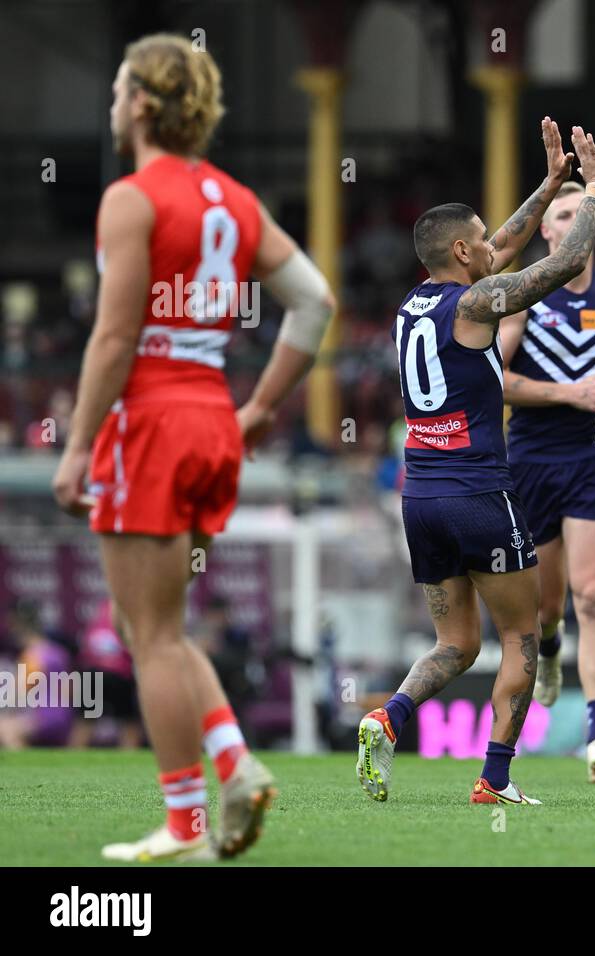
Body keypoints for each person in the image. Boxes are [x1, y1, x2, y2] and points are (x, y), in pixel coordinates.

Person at [51, 35, 335, 860]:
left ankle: (188, 819)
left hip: (152, 418)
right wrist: (261, 406)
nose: (111, 103)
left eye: (116, 88)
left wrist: (74, 450)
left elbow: (113, 339)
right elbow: (314, 304)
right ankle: (232, 769)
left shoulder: (133, 198)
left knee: (153, 635)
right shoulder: (236, 199)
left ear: (142, 100)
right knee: (160, 628)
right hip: (213, 416)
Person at [355, 119, 595, 806]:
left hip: (421, 499)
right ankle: (494, 780)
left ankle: (388, 717)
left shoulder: (414, 304)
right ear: (462, 250)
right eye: (482, 238)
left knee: (454, 645)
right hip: (479, 496)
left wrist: (550, 183)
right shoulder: (475, 304)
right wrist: (594, 195)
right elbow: (556, 266)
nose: (494, 243)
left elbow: (499, 248)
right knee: (520, 641)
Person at [497, 179, 595, 783]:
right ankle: (550, 645)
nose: (573, 224)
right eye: (561, 215)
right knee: (546, 605)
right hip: (532, 459)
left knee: (593, 596)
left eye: (583, 213)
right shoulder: (523, 298)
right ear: (546, 231)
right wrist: (568, 392)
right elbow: (495, 381)